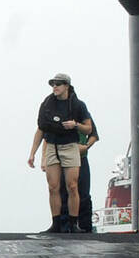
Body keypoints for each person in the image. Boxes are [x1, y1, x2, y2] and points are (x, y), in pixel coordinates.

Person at [27, 73, 92, 233]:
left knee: (72, 185)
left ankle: (73, 224)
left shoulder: (78, 105)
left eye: (58, 84)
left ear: (67, 86)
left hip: (70, 146)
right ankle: (56, 224)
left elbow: (89, 128)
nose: (54, 87)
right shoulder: (47, 105)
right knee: (53, 186)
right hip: (52, 146)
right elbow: (40, 129)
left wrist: (75, 125)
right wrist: (33, 153)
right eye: (53, 84)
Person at [78, 115, 99, 233]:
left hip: (81, 158)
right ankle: (64, 225)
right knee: (63, 192)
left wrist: (85, 147)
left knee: (84, 193)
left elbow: (94, 135)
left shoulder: (81, 110)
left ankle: (85, 226)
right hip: (62, 159)